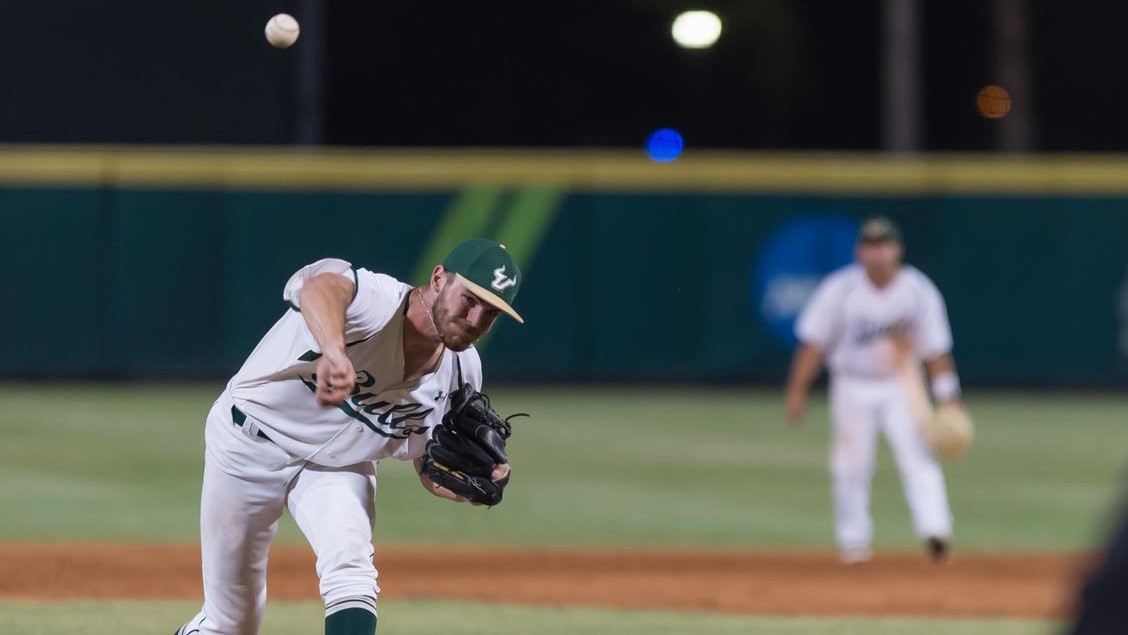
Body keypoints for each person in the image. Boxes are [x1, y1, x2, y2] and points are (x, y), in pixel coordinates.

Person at [173, 238, 524, 635]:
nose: (477, 318)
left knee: (352, 573)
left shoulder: (463, 372)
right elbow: (319, 288)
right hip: (249, 444)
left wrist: (469, 486)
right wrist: (336, 351)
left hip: (338, 466)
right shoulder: (377, 301)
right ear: (439, 279)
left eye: (491, 312)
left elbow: (430, 464)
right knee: (231, 623)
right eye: (470, 299)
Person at [784, 216, 963, 565]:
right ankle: (854, 542)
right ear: (859, 252)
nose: (878, 254)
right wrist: (797, 390)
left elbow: (936, 352)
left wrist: (949, 398)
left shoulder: (917, 291)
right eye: (870, 246)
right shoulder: (840, 290)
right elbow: (813, 345)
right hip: (852, 382)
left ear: (897, 249)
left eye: (884, 246)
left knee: (920, 456)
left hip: (902, 382)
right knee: (850, 462)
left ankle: (935, 531)